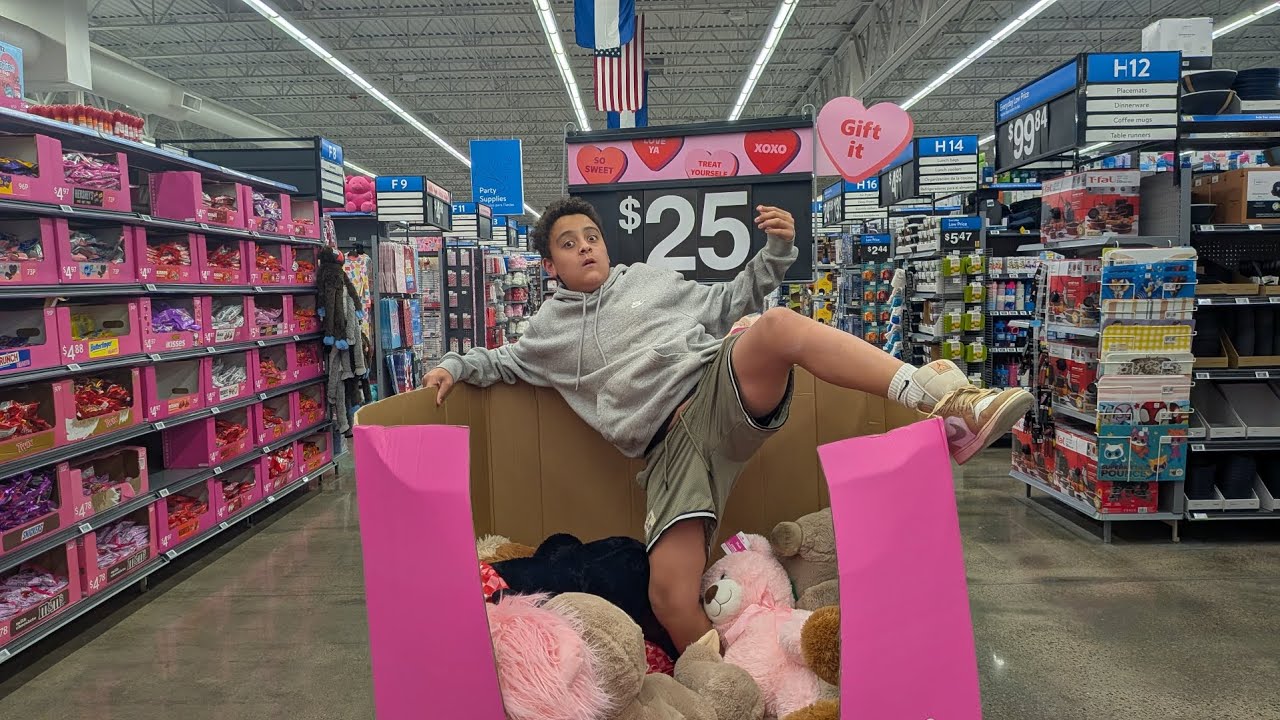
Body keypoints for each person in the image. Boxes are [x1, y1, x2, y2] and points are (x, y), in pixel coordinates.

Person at [425, 196, 1033, 653]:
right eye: (568, 242)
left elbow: (728, 302)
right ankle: (735, 688)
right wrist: (451, 366)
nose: (585, 246)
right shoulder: (544, 336)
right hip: (668, 454)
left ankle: (942, 396)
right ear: (549, 263)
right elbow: (495, 362)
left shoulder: (650, 282)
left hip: (715, 390)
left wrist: (775, 253)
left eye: (592, 236)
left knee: (775, 329)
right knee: (668, 595)